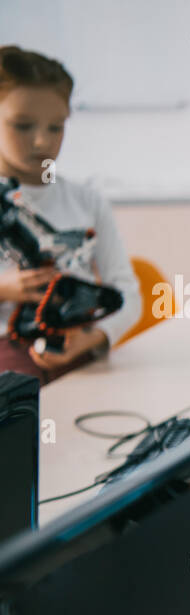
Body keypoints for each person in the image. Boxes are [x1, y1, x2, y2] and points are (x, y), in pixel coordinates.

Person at [0, 46, 139, 384]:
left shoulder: (87, 201)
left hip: (82, 357)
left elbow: (128, 294)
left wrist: (93, 338)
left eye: (56, 127)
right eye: (22, 126)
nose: (41, 142)